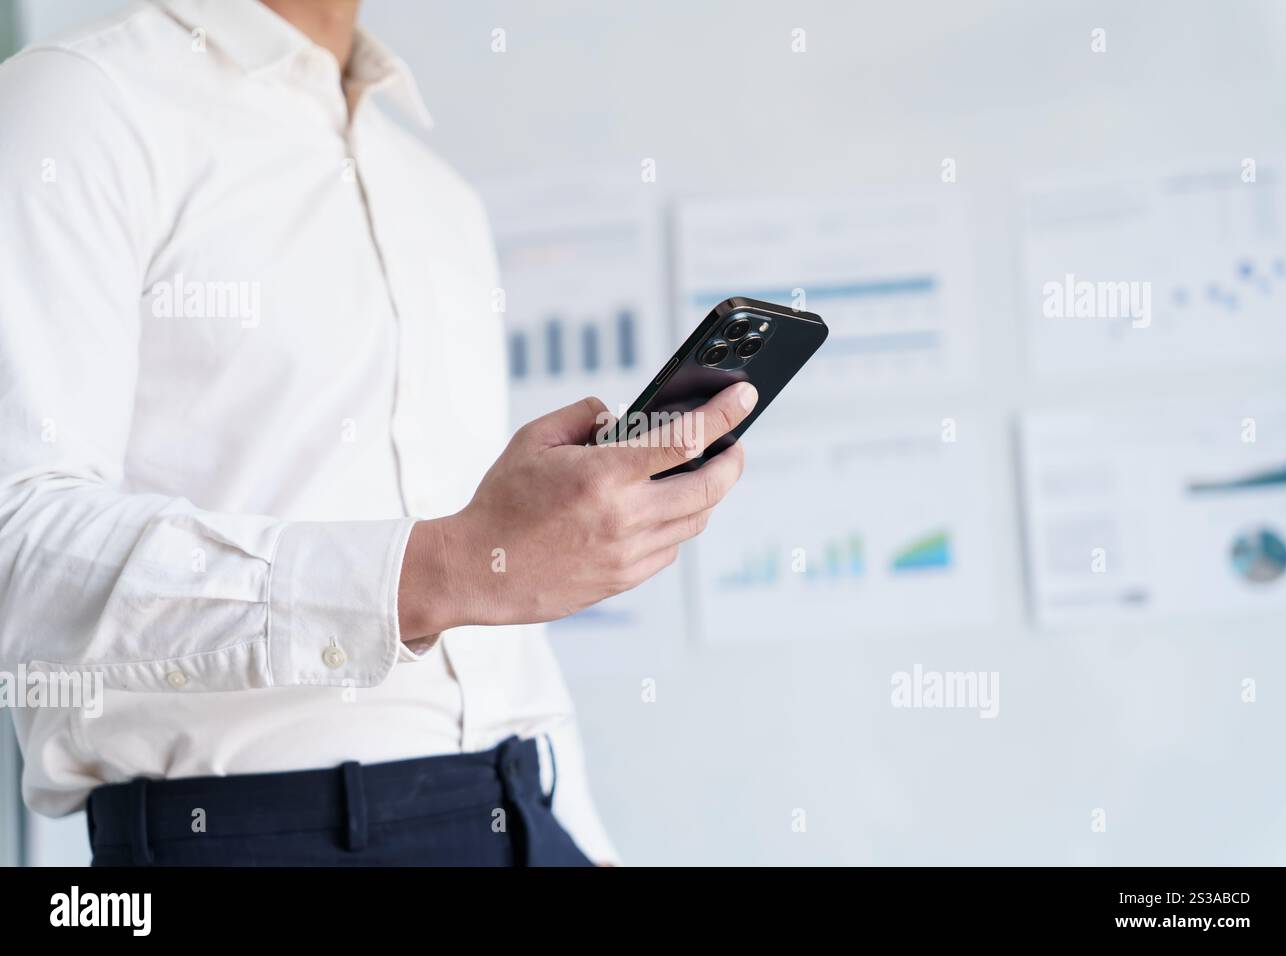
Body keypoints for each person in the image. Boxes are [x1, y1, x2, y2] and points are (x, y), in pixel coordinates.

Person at [0, 0, 751, 866]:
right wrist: (446, 566)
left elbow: (498, 634)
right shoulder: (77, 102)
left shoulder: (437, 196)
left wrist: (580, 836)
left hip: (522, 809)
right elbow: (20, 544)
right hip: (247, 835)